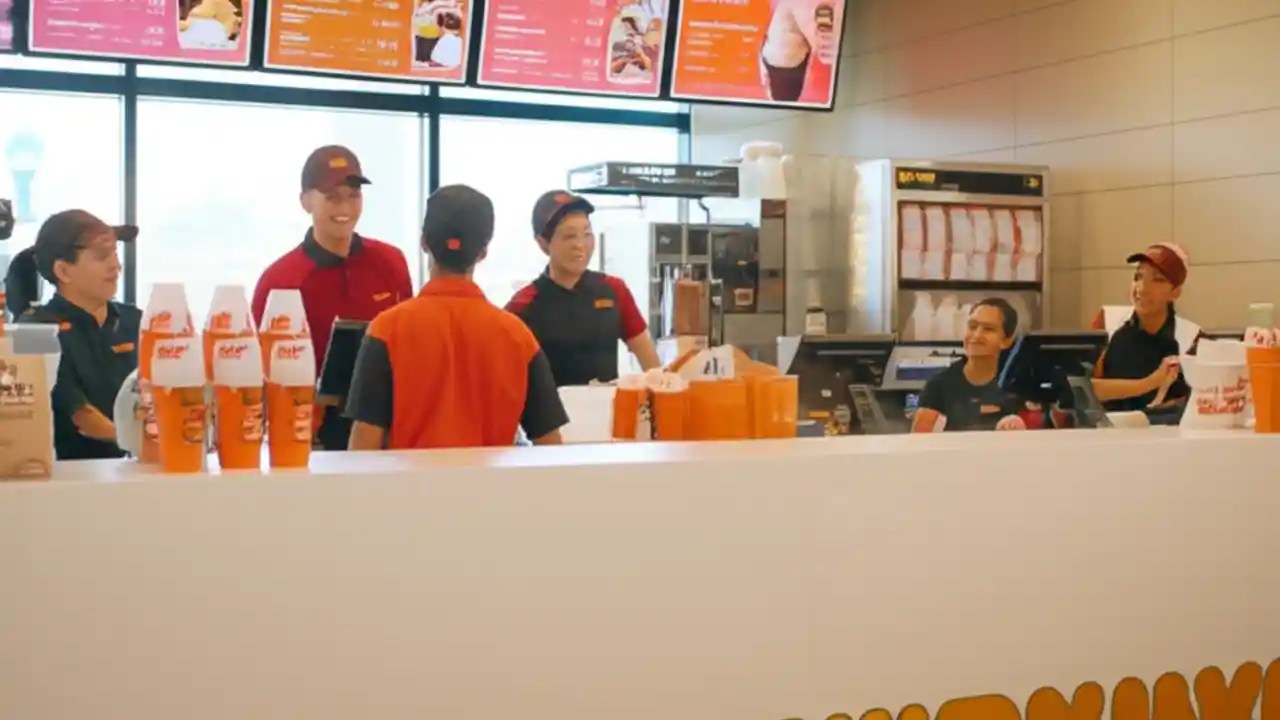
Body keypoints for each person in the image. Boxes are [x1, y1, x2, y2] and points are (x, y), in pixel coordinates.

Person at [345, 184, 569, 450]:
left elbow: (363, 446)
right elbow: (551, 448)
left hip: (410, 490)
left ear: (424, 242)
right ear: (483, 251)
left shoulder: (387, 329)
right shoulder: (517, 337)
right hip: (491, 490)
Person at [252, 145, 413, 450]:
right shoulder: (280, 280)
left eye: (353, 196)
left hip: (385, 433)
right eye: (333, 197)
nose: (345, 208)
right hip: (311, 441)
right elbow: (260, 379)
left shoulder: (390, 263)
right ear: (305, 201)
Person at [15, 210, 141, 460]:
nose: (115, 265)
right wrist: (141, 442)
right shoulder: (32, 330)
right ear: (63, 271)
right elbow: (81, 415)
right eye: (102, 256)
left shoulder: (137, 321)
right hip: (69, 478)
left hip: (138, 470)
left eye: (115, 253)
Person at [505, 190, 660, 387]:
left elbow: (651, 364)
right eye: (569, 236)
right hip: (551, 415)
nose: (580, 245)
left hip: (608, 412)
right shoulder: (523, 305)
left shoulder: (613, 289)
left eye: (587, 234)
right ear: (543, 243)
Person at [1090, 243, 1194, 412]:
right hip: (1108, 431)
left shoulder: (1190, 339)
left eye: (1158, 279)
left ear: (1175, 292)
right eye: (1138, 276)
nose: (1143, 288)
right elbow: (1084, 389)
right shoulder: (1108, 323)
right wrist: (1149, 383)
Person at [911, 298, 1026, 433]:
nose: (976, 335)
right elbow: (918, 443)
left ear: (1006, 341)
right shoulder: (938, 386)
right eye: (972, 327)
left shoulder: (1017, 385)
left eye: (988, 329)